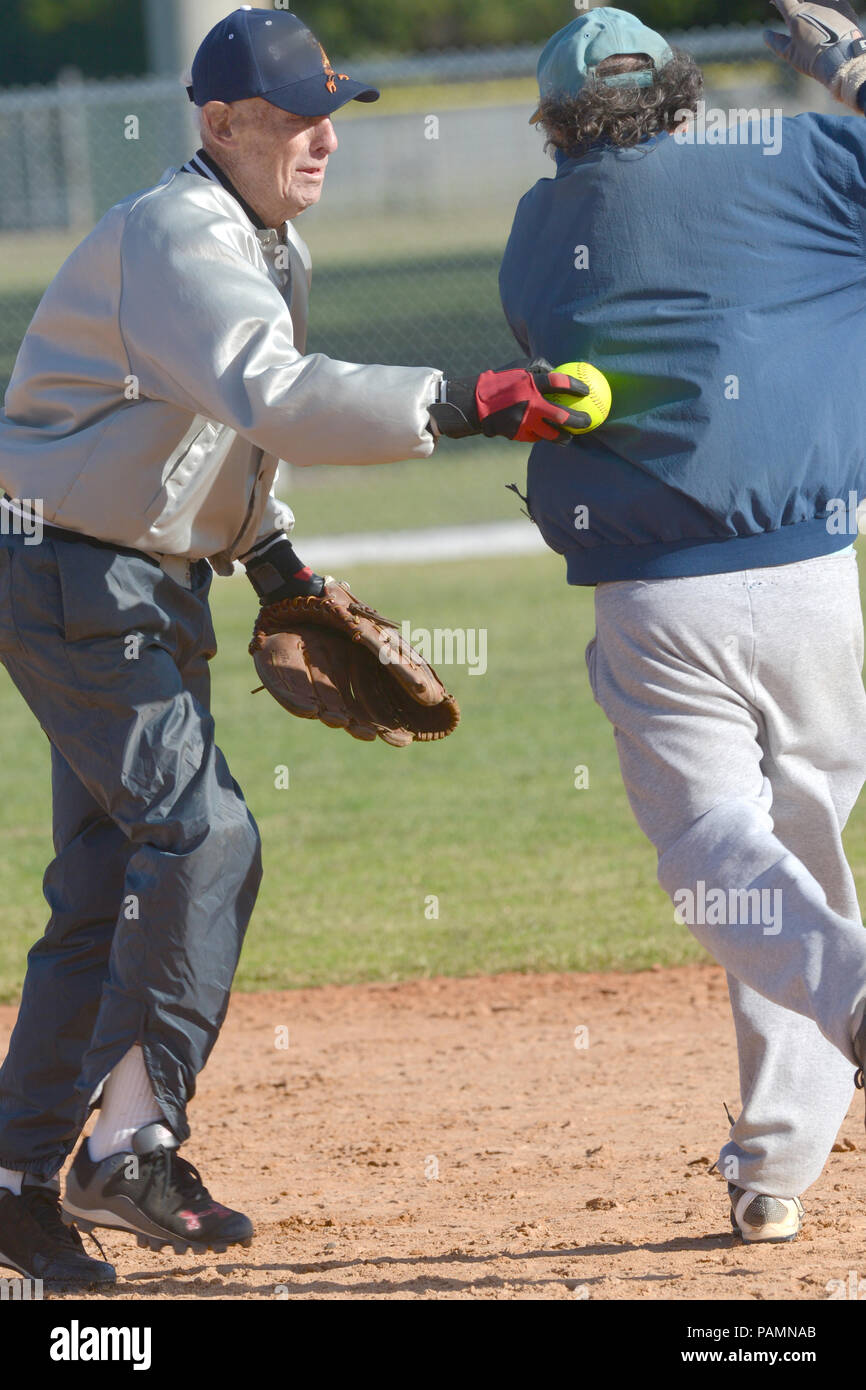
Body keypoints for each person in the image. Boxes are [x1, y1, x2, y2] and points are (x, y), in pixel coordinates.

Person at [0, 6, 589, 1289]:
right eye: (294, 117)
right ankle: (128, 1145)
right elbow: (269, 392)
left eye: (335, 110)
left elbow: (216, 432)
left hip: (124, 575)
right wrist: (461, 396)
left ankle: (12, 1183)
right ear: (220, 126)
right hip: (69, 569)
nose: (325, 137)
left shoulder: (260, 237)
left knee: (109, 881)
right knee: (200, 836)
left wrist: (272, 558)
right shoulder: (179, 232)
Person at [498, 2, 866, 1244]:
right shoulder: (804, 159)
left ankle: (837, 1037)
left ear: (556, 122)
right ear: (683, 93)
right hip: (817, 574)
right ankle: (773, 1166)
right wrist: (847, 69)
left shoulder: (542, 232)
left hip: (655, 596)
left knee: (720, 855)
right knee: (799, 856)